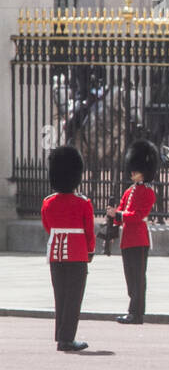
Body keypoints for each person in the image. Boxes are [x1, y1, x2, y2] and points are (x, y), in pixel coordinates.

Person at [43, 146, 95, 352]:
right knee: (73, 297)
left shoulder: (47, 203)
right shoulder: (83, 203)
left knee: (60, 296)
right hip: (77, 252)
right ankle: (67, 339)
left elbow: (48, 226)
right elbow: (88, 231)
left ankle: (60, 336)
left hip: (55, 253)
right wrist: (90, 251)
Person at [111, 140, 159, 325]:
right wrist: (113, 215)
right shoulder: (129, 191)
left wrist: (119, 214)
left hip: (139, 238)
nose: (132, 173)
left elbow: (138, 215)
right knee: (130, 277)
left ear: (145, 171)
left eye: (136, 170)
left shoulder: (148, 192)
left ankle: (137, 313)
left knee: (138, 279)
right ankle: (132, 310)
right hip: (127, 239)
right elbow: (121, 212)